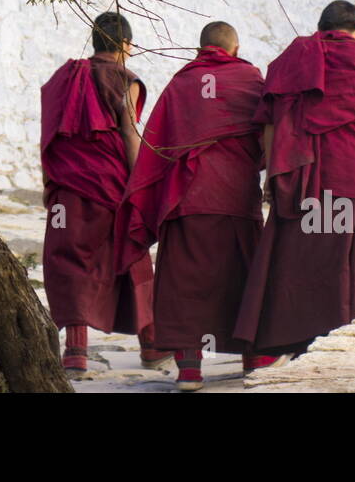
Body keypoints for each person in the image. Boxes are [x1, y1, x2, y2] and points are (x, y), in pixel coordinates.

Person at [233, 1, 355, 361]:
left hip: (300, 177)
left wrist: (272, 174)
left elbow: (272, 122)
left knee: (293, 259)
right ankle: (339, 347)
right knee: (343, 265)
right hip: (352, 178)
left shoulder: (296, 58)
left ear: (320, 28)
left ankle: (282, 345)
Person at [117, 21, 277, 391]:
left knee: (184, 284)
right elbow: (267, 135)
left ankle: (190, 370)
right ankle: (254, 358)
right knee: (244, 276)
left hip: (186, 200)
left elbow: (157, 145)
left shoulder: (181, 84)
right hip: (236, 198)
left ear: (199, 49)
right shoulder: (250, 79)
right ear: (234, 49)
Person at [39, 11, 172, 378]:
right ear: (127, 45)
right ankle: (152, 345)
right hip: (111, 184)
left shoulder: (63, 80)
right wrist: (140, 182)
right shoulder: (124, 79)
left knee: (71, 262)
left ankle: (76, 353)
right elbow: (130, 132)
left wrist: (49, 181)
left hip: (68, 185)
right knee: (132, 256)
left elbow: (49, 135)